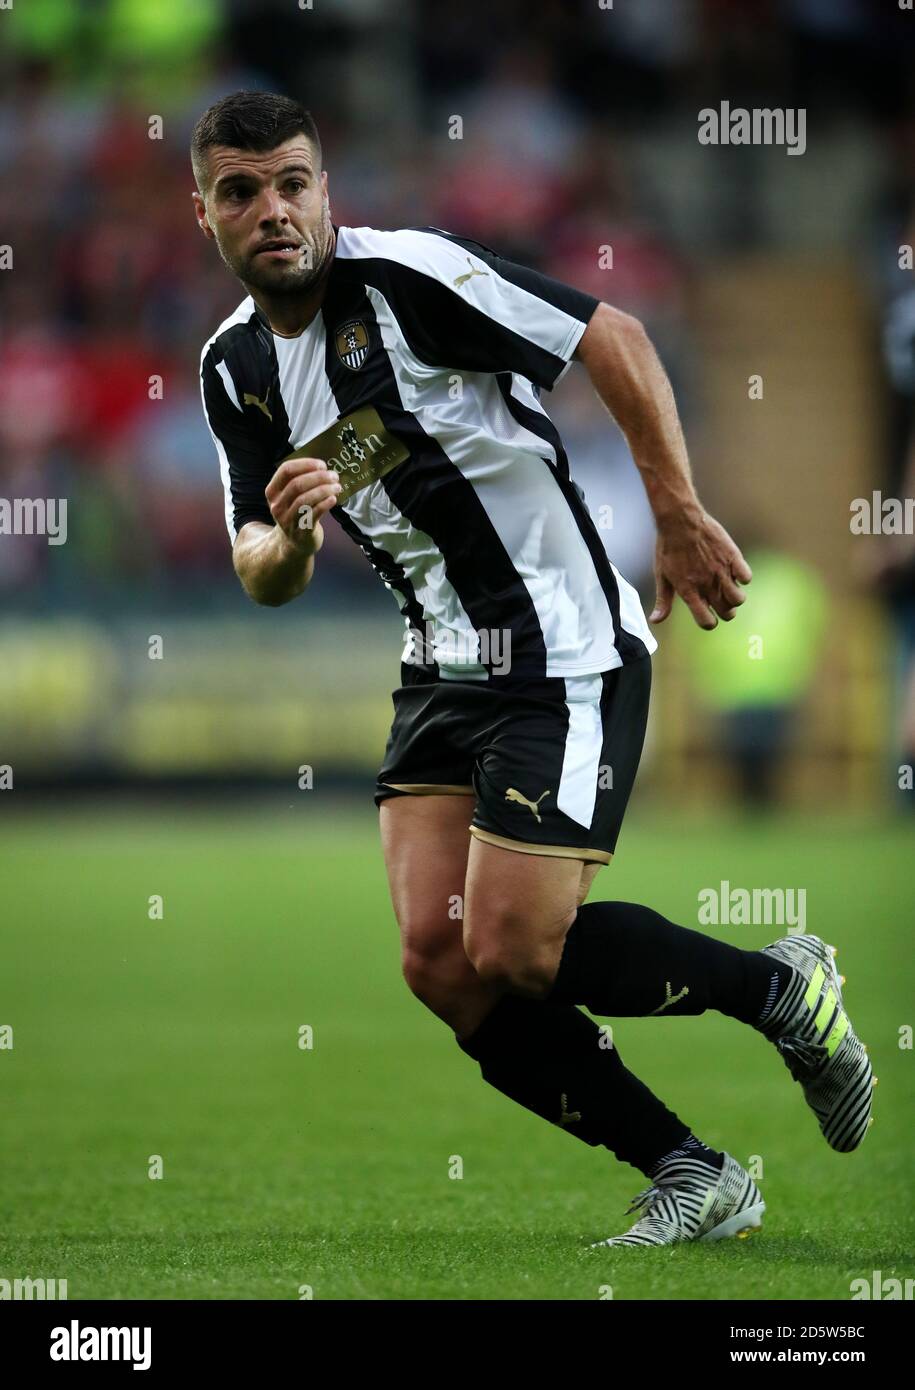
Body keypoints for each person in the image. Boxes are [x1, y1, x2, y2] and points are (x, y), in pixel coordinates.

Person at [193, 90, 873, 1247]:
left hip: (558, 641)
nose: (274, 209)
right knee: (441, 963)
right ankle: (694, 1170)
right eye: (242, 190)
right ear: (203, 209)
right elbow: (259, 562)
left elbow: (612, 334)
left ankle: (782, 990)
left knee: (513, 943)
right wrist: (294, 536)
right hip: (438, 666)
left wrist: (676, 510)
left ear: (325, 187)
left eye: (293, 182)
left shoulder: (407, 278)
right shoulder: (233, 369)